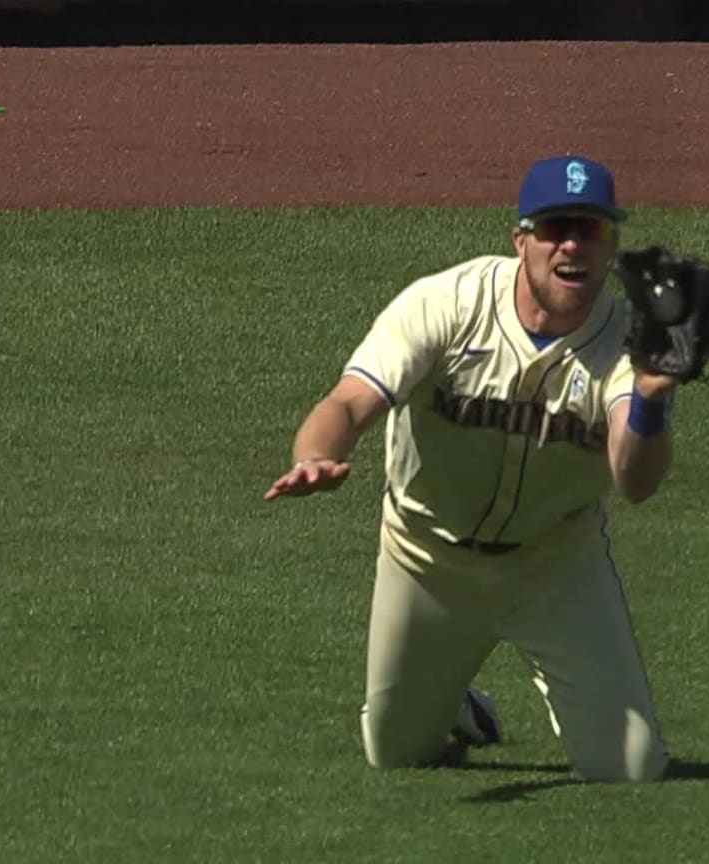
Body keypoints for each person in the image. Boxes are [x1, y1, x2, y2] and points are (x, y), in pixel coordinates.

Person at [265, 154, 684, 783]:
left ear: (612, 244)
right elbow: (349, 401)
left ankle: (465, 683)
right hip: (426, 558)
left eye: (591, 229)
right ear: (522, 240)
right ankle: (452, 700)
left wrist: (650, 401)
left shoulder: (630, 341)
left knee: (631, 767)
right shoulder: (447, 304)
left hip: (556, 567)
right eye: (554, 227)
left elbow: (636, 482)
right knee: (396, 752)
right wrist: (316, 456)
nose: (571, 244)